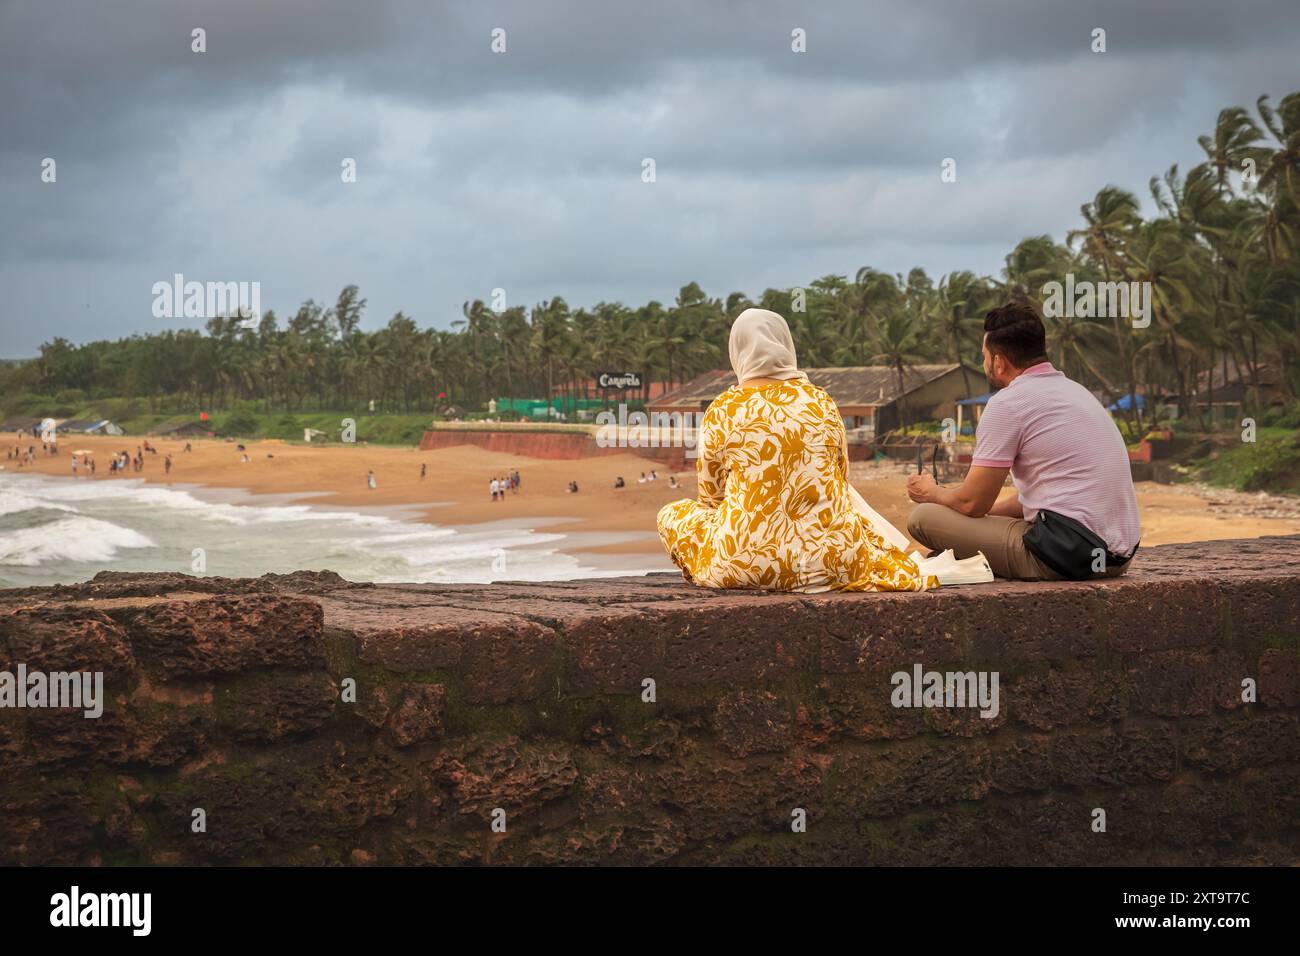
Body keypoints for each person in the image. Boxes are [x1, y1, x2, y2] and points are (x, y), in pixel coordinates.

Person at [657, 308, 936, 593]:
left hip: (743, 565)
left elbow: (711, 499)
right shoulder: (821, 401)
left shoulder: (722, 410)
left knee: (671, 515)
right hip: (835, 562)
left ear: (737, 351)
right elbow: (840, 480)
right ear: (785, 345)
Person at [905, 300, 1140, 580]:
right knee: (949, 543)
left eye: (984, 356)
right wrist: (976, 510)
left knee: (924, 518)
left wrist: (931, 492)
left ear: (999, 362)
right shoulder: (1076, 392)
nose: (984, 364)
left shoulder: (1008, 404)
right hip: (1116, 559)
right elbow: (1045, 496)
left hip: (1067, 557)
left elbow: (972, 504)